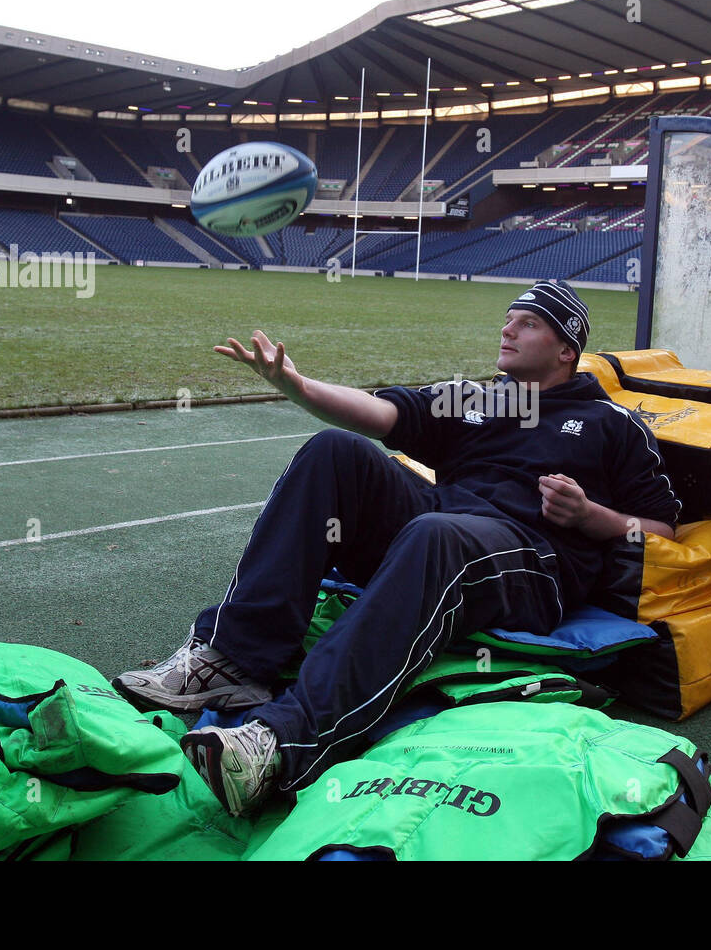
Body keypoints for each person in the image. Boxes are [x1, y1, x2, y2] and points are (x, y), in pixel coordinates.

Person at [114, 280, 680, 815]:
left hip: (531, 562)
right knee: (335, 451)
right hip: (441, 527)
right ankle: (235, 659)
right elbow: (380, 415)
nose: (507, 331)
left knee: (437, 534)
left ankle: (284, 743)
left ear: (565, 348)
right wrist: (299, 386)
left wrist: (590, 515)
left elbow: (662, 530)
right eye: (507, 320)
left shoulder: (613, 424)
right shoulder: (475, 400)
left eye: (527, 324)